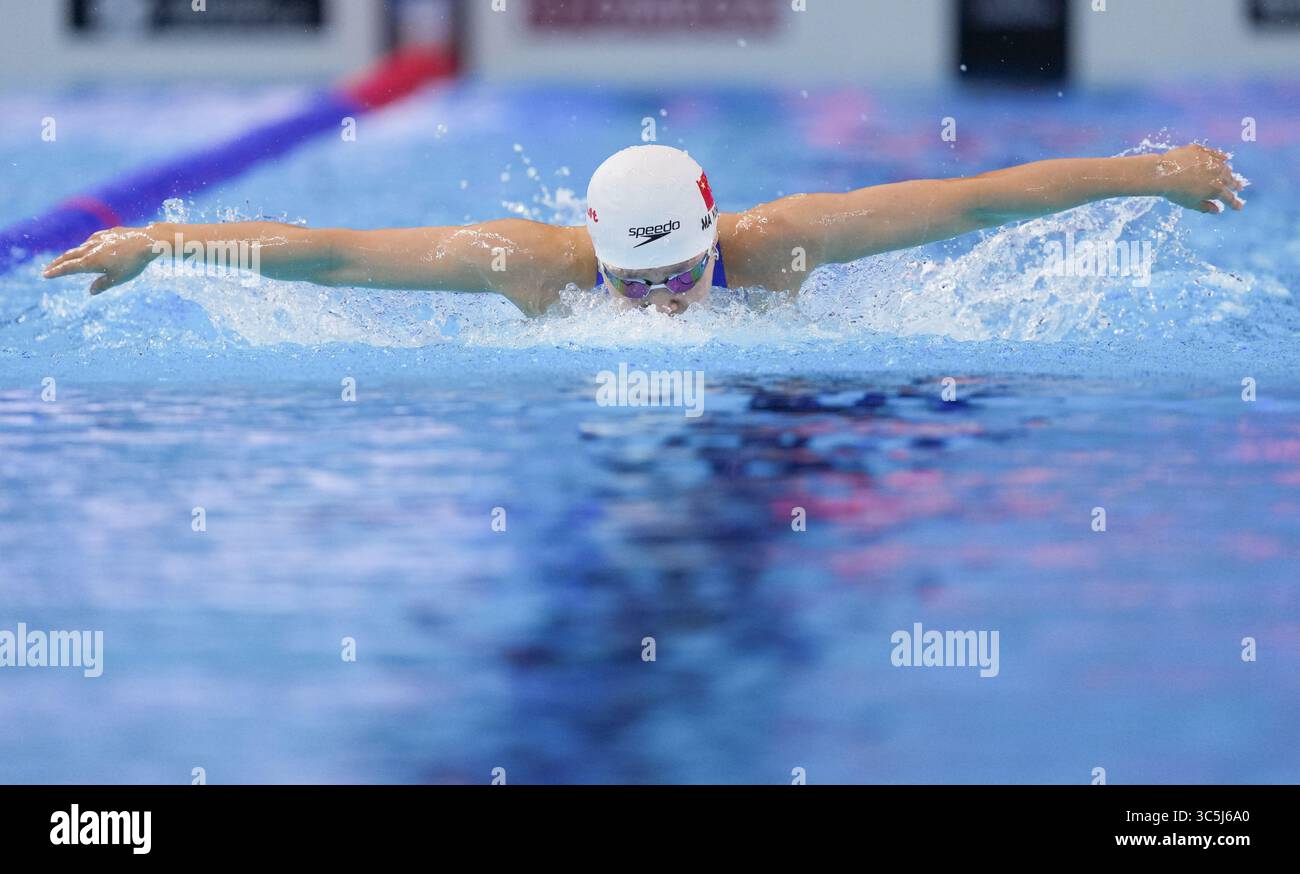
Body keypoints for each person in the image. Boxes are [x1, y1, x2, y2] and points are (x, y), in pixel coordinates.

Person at [43, 143, 1244, 316]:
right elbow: (334, 251)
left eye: (680, 271)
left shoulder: (785, 241)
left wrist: (1152, 170)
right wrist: (160, 240)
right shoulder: (531, 265)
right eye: (636, 277)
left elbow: (979, 199)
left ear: (715, 224)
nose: (661, 298)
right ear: (592, 244)